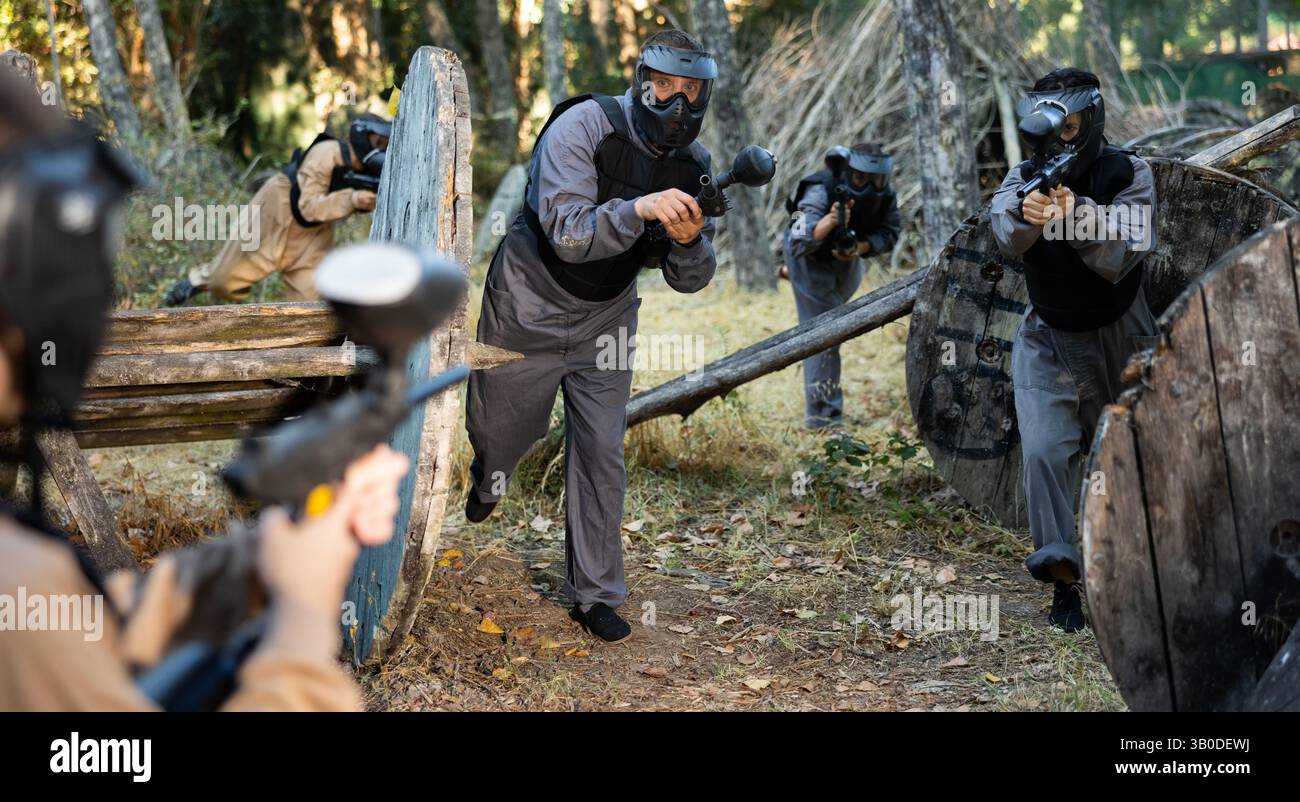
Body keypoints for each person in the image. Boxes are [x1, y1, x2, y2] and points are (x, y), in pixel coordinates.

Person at [0, 66, 409, 711]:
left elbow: (95, 624)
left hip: (306, 247)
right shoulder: (18, 581)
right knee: (230, 277)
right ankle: (191, 280)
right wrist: (302, 618)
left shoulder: (25, 576)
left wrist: (254, 559)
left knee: (309, 304)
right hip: (285, 220)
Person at [463, 29, 720, 643]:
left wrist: (687, 240)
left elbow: (692, 280)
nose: (678, 106)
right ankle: (490, 473)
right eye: (665, 90)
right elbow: (571, 236)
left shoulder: (696, 165)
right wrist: (640, 209)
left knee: (601, 449)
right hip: (529, 300)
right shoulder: (583, 126)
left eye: (691, 94)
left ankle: (594, 594)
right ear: (641, 84)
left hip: (608, 317)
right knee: (506, 429)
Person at [990, 67, 1159, 632]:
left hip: (1123, 333)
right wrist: (1030, 213)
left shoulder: (1129, 171)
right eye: (1045, 129)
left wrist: (1075, 215)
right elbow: (1005, 229)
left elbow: (1126, 249)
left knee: (1139, 453)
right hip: (1050, 336)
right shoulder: (1023, 177)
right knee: (1043, 450)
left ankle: (1145, 572)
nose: (1055, 139)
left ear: (1089, 119)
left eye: (1067, 127)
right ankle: (1065, 582)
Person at [162, 114, 390, 305]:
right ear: (362, 136)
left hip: (314, 232)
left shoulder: (372, 170)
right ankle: (195, 282)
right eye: (377, 141)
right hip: (278, 208)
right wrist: (352, 199)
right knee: (225, 278)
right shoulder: (328, 152)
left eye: (384, 143)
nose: (381, 148)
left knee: (311, 301)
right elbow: (308, 206)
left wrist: (364, 201)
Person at [780, 143, 900, 429]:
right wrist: (832, 219)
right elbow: (799, 239)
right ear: (849, 173)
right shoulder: (821, 189)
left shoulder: (887, 196)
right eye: (861, 179)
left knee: (825, 328)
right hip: (807, 260)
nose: (870, 187)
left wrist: (859, 247)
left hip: (846, 263)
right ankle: (824, 420)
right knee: (825, 337)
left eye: (877, 180)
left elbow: (891, 233)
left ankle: (823, 414)